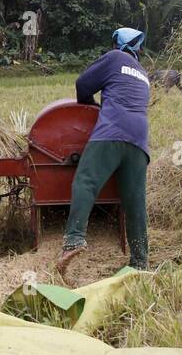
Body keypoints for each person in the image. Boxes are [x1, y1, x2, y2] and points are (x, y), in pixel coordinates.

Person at [56, 27, 151, 283]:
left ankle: (74, 240)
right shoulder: (143, 74)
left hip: (112, 131)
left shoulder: (114, 58)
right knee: (134, 200)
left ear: (117, 43)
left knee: (85, 181)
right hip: (140, 140)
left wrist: (90, 105)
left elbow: (82, 84)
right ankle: (140, 260)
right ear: (138, 47)